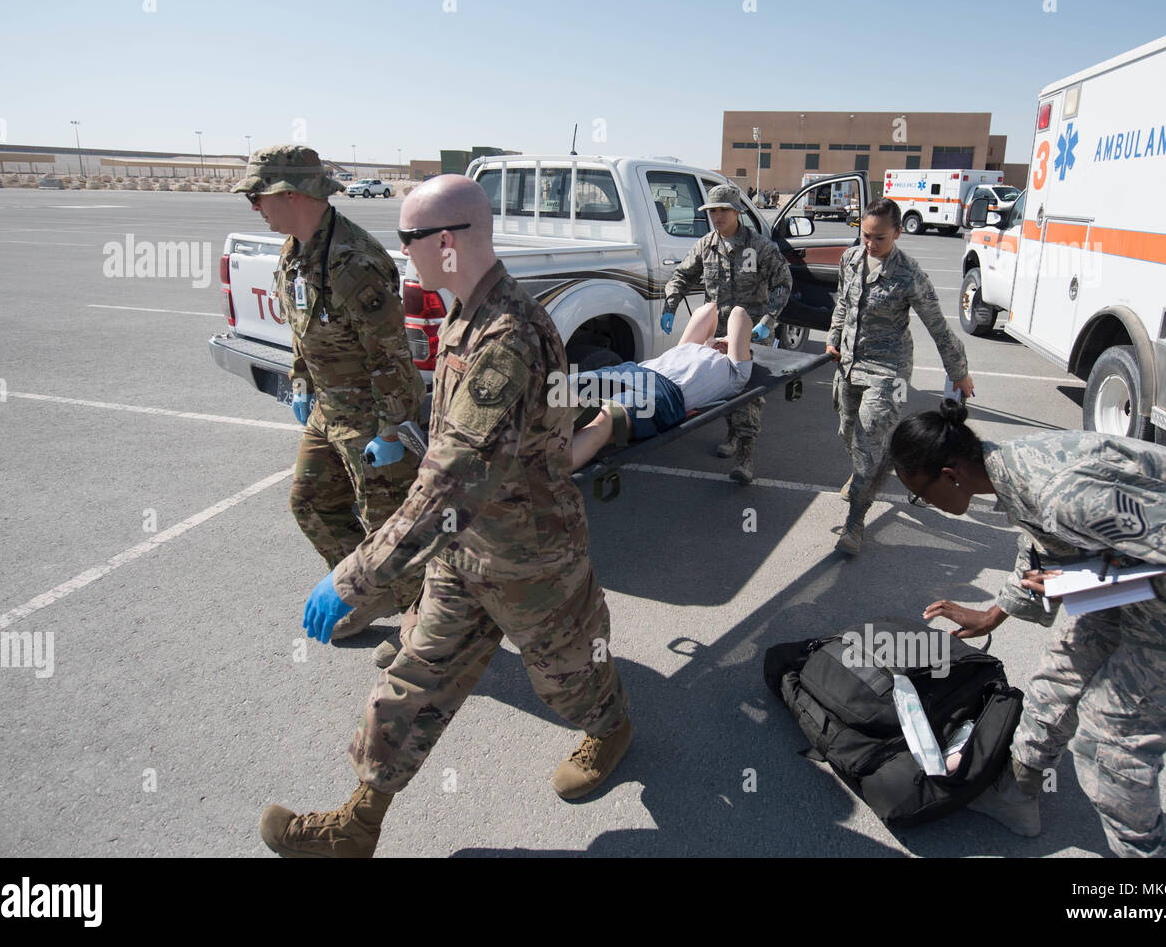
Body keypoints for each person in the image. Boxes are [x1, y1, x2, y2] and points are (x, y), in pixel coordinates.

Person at [259, 175, 631, 858]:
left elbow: (451, 483)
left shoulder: (508, 336)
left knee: (570, 681)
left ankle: (610, 728)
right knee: (410, 683)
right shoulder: (466, 313)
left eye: (408, 240)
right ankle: (356, 826)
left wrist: (356, 576)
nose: (401, 255)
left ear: (448, 242)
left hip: (531, 560)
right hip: (464, 555)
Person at [889, 401, 1166, 858]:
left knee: (1109, 746)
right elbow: (1041, 541)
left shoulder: (1063, 493)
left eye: (919, 494)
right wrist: (995, 613)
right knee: (1062, 669)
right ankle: (1016, 792)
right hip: (1163, 569)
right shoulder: (1009, 467)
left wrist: (1086, 580)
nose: (925, 505)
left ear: (949, 474)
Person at [233, 145, 425, 653]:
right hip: (329, 409)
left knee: (390, 528)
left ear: (288, 194)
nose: (254, 207)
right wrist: (300, 383)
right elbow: (301, 326)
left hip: (372, 419)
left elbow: (391, 356)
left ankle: (420, 628)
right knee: (312, 502)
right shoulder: (296, 250)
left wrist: (392, 430)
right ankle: (365, 591)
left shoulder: (352, 262)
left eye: (257, 197)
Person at [825, 196, 974, 555]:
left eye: (880, 238)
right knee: (847, 430)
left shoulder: (909, 274)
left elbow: (938, 326)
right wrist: (833, 337)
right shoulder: (850, 259)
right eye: (865, 236)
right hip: (850, 364)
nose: (871, 244)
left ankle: (854, 523)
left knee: (867, 440)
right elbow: (843, 303)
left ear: (897, 233)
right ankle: (863, 471)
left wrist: (959, 372)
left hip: (889, 371)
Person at [661, 184, 791, 485]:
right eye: (713, 211)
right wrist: (671, 303)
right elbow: (682, 275)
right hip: (718, 330)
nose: (717, 216)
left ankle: (746, 456)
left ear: (737, 212)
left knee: (748, 394)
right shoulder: (706, 245)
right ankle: (732, 434)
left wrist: (769, 320)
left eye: (723, 210)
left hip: (751, 330)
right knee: (722, 386)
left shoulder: (759, 247)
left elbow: (782, 283)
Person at [569, 303, 754, 470]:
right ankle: (552, 427)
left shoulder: (736, 373)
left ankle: (547, 482)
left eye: (729, 342)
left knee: (605, 419)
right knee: (562, 386)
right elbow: (708, 309)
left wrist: (728, 341)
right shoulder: (691, 347)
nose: (723, 343)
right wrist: (713, 340)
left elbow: (739, 313)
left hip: (664, 392)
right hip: (635, 372)